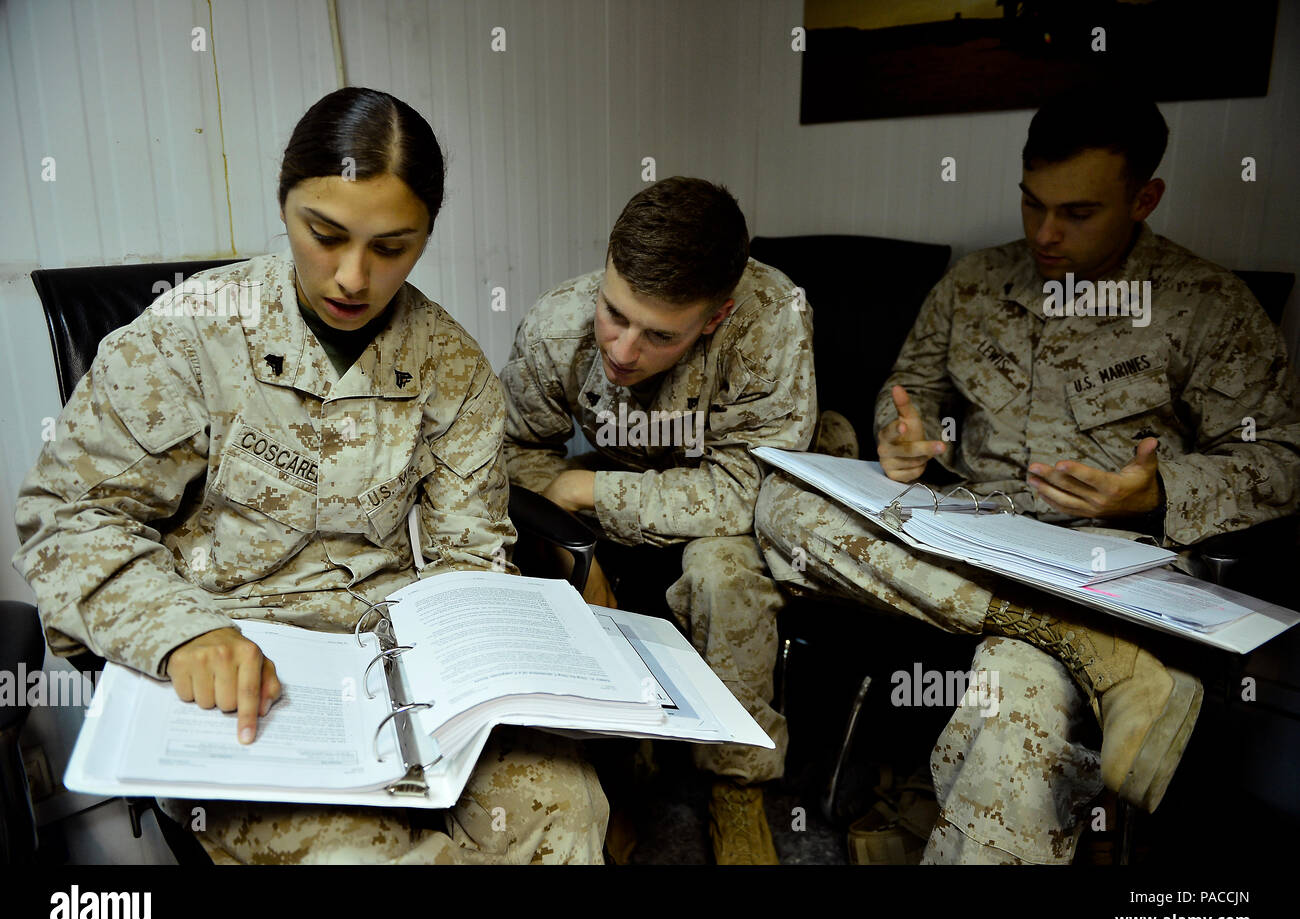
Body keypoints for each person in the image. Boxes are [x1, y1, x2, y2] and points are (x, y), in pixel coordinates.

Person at [13, 87, 608, 864]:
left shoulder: (452, 366)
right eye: (324, 234)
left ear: (427, 234)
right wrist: (182, 631)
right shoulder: (187, 334)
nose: (352, 277)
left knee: (565, 802)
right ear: (284, 201)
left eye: (392, 247)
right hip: (240, 664)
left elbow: (469, 558)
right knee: (362, 856)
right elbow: (66, 519)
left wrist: (495, 657)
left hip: (392, 663)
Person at [754, 87, 1300, 864]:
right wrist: (906, 434)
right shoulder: (975, 285)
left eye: (1077, 213)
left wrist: (1161, 490)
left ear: (1145, 198)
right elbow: (913, 389)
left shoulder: (1207, 307)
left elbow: (1282, 459)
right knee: (779, 505)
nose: (1045, 232)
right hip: (960, 531)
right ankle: (1102, 662)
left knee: (1023, 695)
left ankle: (1041, 686)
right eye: (1032, 202)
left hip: (1101, 564)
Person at [500, 177, 820, 864]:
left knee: (726, 577)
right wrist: (574, 543)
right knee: (540, 556)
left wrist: (591, 491)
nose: (620, 349)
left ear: (715, 317)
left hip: (727, 506)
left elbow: (749, 490)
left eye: (658, 335)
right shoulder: (558, 323)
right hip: (612, 487)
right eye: (613, 313)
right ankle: (611, 758)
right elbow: (518, 451)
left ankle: (735, 786)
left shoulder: (772, 322)